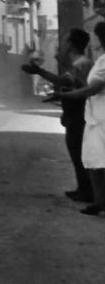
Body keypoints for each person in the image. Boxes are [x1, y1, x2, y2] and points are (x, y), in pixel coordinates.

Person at [24, 28, 93, 202]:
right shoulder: (78, 63)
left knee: (79, 153)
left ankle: (88, 191)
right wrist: (40, 71)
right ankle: (83, 188)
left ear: (70, 44)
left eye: (64, 40)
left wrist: (40, 72)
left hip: (81, 115)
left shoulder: (82, 63)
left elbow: (72, 86)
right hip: (75, 114)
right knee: (76, 152)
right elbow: (65, 82)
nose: (61, 43)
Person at [52, 22, 105, 215]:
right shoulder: (97, 61)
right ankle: (96, 199)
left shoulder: (92, 62)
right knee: (92, 158)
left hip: (98, 116)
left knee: (94, 159)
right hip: (92, 115)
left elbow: (89, 88)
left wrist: (63, 96)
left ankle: (93, 197)